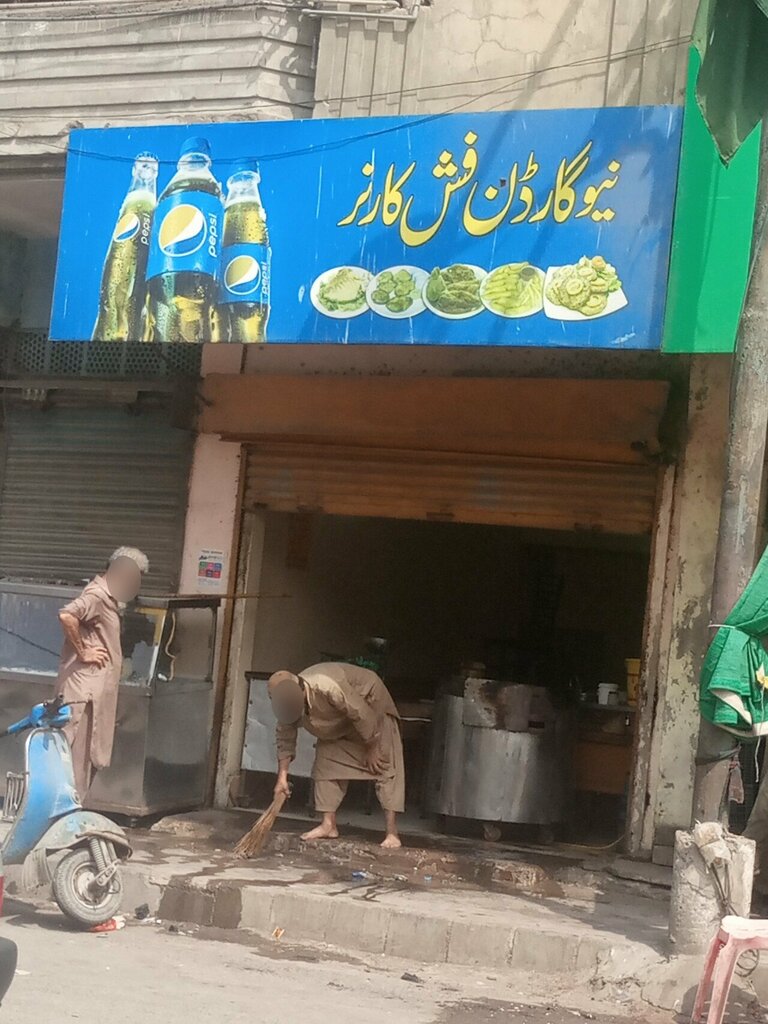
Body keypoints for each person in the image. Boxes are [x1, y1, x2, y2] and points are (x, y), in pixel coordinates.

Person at [269, 662, 405, 849]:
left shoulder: (326, 686)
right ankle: (328, 825)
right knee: (325, 765)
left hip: (369, 706)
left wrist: (372, 747)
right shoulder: (287, 700)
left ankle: (392, 833)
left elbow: (361, 713)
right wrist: (282, 778)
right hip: (337, 724)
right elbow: (285, 736)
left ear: (299, 690)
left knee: (384, 765)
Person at [55, 547, 149, 799]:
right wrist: (84, 651)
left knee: (89, 761)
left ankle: (73, 813)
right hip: (85, 695)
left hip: (96, 692)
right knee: (77, 763)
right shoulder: (96, 595)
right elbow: (67, 615)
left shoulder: (109, 599)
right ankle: (67, 818)